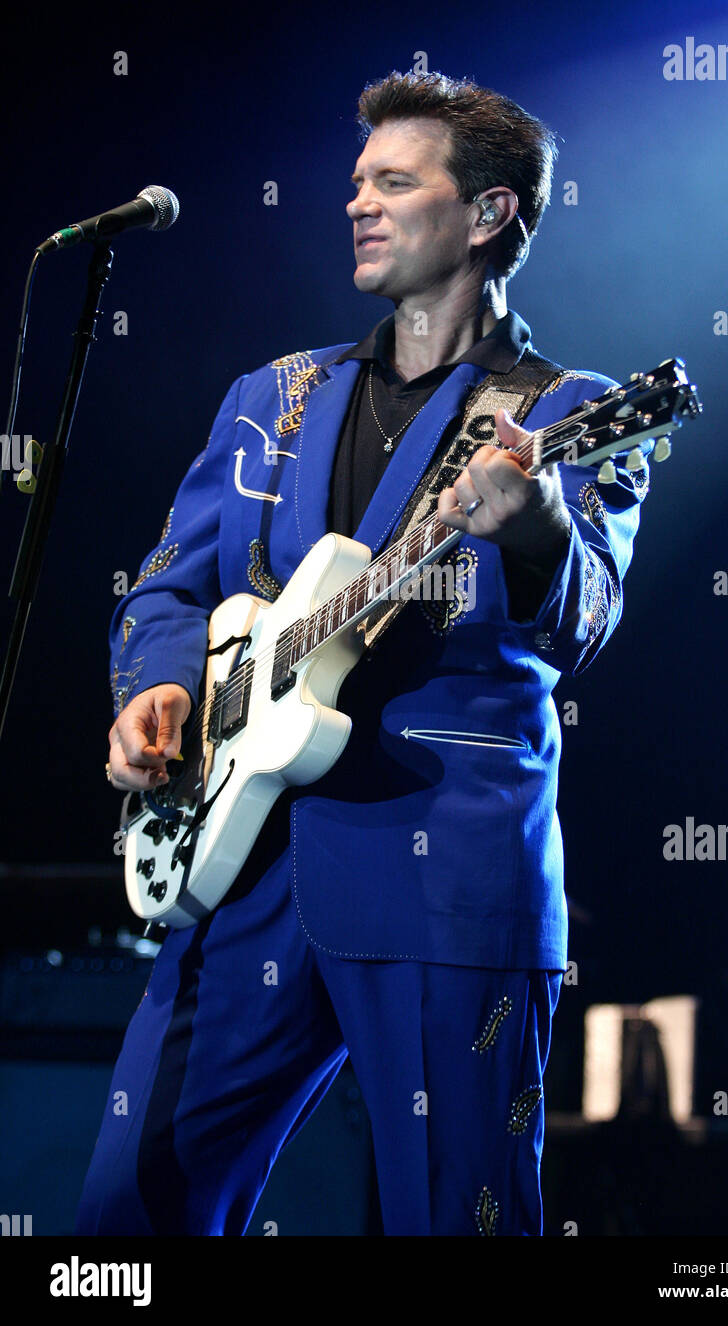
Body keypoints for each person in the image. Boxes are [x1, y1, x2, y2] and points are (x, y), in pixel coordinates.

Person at [77, 70, 646, 1237]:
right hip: (242, 862)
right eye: (356, 182)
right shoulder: (269, 398)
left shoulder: (563, 410)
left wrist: (532, 523)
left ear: (488, 218)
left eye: (395, 182)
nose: (359, 204)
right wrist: (164, 687)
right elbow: (169, 587)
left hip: (452, 882)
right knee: (123, 1218)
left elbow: (584, 616)